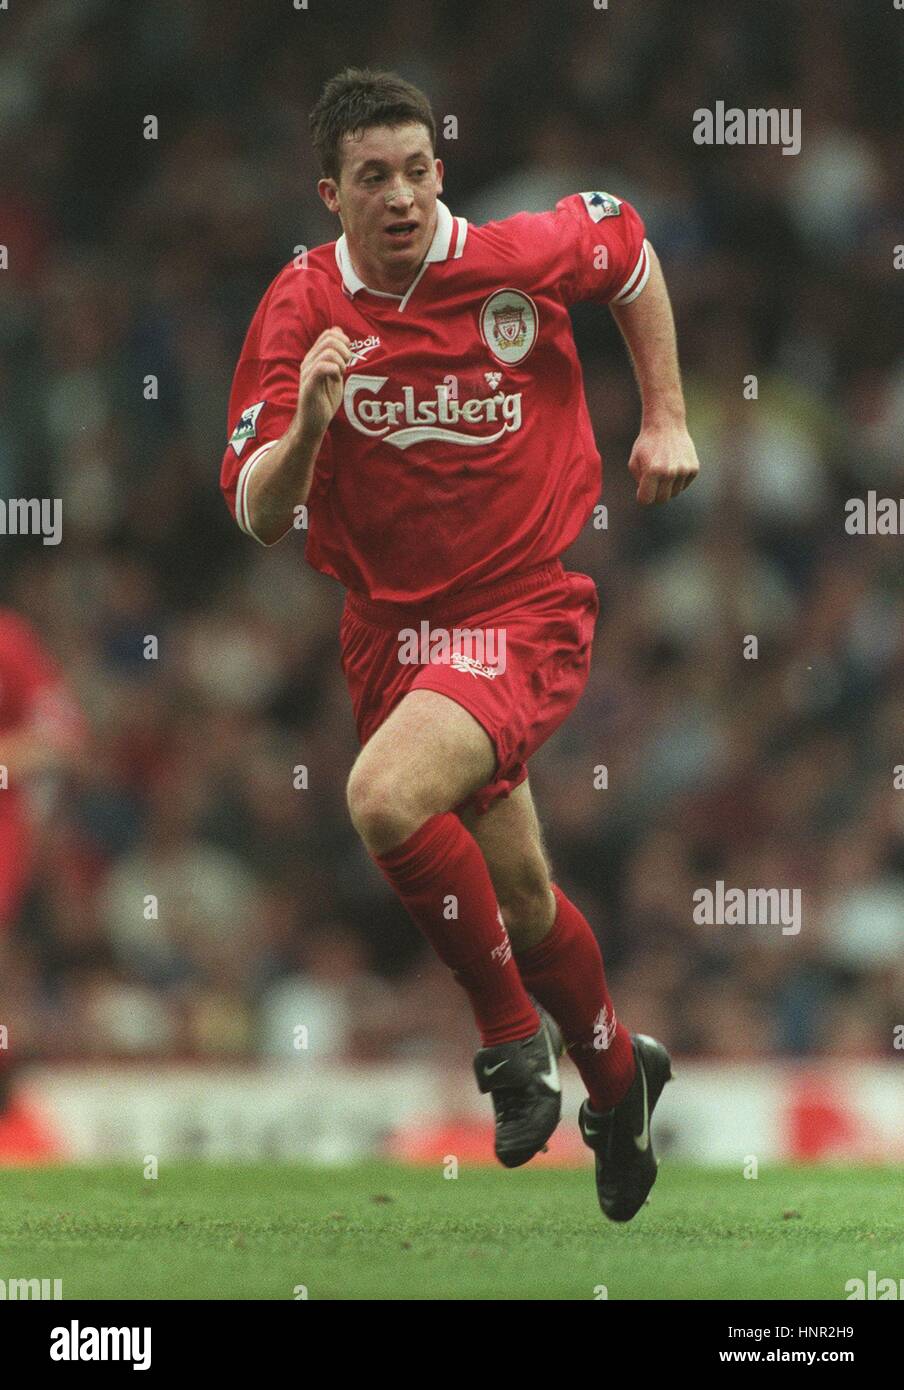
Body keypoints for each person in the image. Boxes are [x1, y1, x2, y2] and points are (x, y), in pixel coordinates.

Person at [220, 68, 699, 1221]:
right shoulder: (297, 308)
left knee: (383, 797)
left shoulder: (516, 258)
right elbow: (253, 508)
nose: (401, 195)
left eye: (418, 168)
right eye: (372, 177)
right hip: (389, 632)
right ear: (328, 192)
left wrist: (670, 414)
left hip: (520, 607)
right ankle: (621, 1078)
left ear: (442, 167)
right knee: (523, 898)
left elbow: (626, 250)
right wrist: (311, 426)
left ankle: (503, 1047)